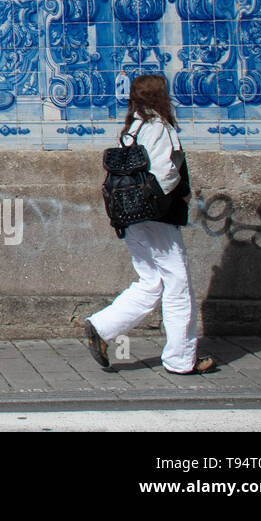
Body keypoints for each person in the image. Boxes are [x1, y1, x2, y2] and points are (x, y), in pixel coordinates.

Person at [84, 74, 215, 376]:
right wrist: (177, 197)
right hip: (156, 217)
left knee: (151, 281)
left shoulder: (132, 128)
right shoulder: (159, 127)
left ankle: (102, 327)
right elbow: (166, 172)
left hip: (132, 217)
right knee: (178, 286)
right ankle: (181, 359)